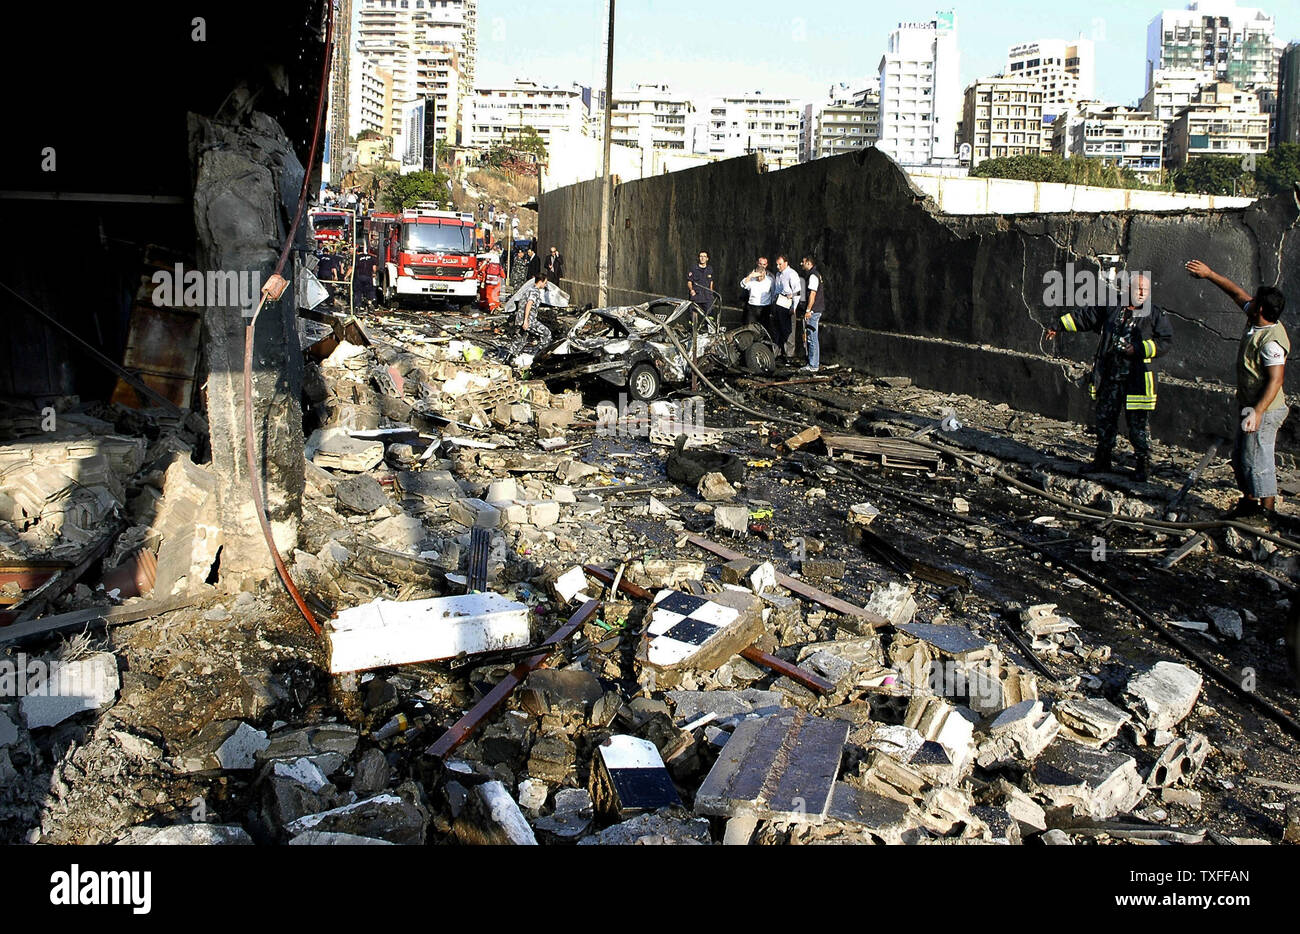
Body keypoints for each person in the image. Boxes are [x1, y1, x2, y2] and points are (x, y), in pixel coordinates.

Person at [1186, 260, 1289, 520]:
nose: (1249, 301)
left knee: (1258, 459)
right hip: (1250, 405)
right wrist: (1209, 274)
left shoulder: (1271, 342)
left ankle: (1265, 513)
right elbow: (1235, 293)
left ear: (1261, 309)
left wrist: (1257, 412)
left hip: (1265, 409)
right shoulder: (1256, 319)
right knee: (1242, 456)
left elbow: (1275, 381)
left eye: (1255, 301)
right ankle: (1249, 502)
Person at [1045, 273, 1172, 481]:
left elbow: (1165, 341)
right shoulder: (1113, 308)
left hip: (1137, 381)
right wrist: (1058, 325)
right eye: (1138, 289)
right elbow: (1086, 317)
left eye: (1145, 290)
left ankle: (1143, 465)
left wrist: (1138, 349)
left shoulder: (1155, 314)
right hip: (1111, 378)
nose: (1141, 294)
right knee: (1105, 420)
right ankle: (1102, 460)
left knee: (1137, 426)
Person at [511, 270, 553, 355]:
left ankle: (511, 356)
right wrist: (526, 320)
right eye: (545, 283)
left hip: (520, 319)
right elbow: (529, 304)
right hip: (529, 320)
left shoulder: (529, 289)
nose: (545, 285)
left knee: (520, 340)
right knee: (546, 333)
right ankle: (540, 355)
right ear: (540, 282)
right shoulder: (534, 291)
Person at [773, 254, 803, 362]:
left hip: (788, 303)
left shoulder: (792, 274)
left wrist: (794, 307)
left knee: (789, 331)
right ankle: (777, 353)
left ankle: (789, 355)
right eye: (777, 264)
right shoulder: (778, 274)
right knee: (778, 329)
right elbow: (777, 289)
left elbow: (798, 291)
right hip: (779, 303)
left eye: (780, 264)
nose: (778, 266)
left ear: (786, 263)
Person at [800, 255, 826, 372]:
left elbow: (812, 294)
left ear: (809, 263)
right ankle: (813, 363)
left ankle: (813, 364)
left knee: (811, 337)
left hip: (813, 311)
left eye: (803, 262)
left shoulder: (813, 276)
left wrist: (808, 310)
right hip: (815, 309)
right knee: (811, 336)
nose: (801, 264)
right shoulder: (814, 275)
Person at [740, 257, 775, 331]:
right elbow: (742, 284)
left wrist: (772, 306)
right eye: (758, 277)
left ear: (764, 274)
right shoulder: (752, 279)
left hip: (765, 308)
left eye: (761, 276)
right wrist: (750, 276)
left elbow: (773, 293)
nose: (759, 278)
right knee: (749, 329)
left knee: (764, 329)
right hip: (752, 307)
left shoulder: (770, 280)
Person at [687, 251, 716, 315]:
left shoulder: (710, 269)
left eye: (704, 256)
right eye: (701, 256)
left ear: (707, 259)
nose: (702, 258)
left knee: (709, 316)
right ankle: (693, 325)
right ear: (699, 258)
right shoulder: (694, 268)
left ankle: (707, 325)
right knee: (693, 316)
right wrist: (692, 291)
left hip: (707, 297)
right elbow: (689, 282)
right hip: (696, 296)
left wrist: (711, 292)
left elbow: (711, 281)